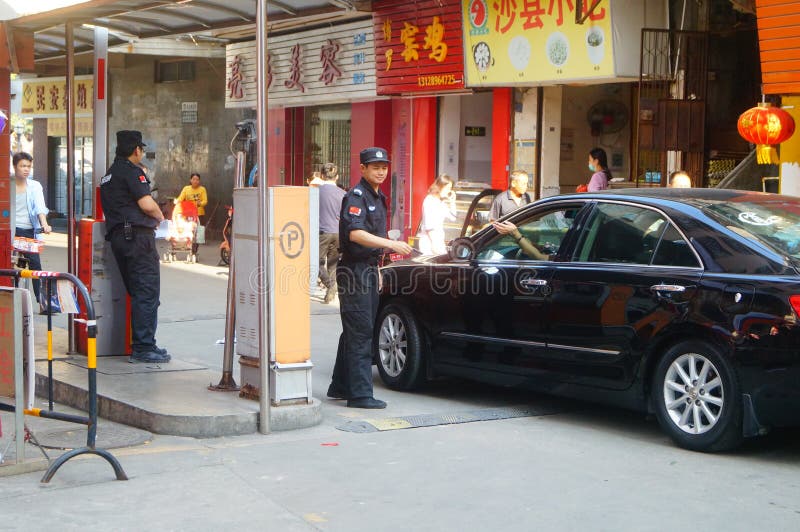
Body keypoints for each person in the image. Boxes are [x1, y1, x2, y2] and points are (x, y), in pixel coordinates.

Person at [328, 147, 413, 409]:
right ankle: (360, 395)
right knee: (361, 332)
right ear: (362, 168)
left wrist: (378, 266)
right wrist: (392, 244)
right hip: (353, 270)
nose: (380, 171)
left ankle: (341, 385)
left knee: (356, 329)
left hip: (367, 268)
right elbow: (355, 234)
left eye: (384, 167)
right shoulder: (356, 196)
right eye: (374, 166)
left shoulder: (379, 196)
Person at [100, 130, 169, 364]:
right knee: (147, 290)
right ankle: (143, 347)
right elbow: (147, 204)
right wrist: (160, 217)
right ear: (136, 150)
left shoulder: (109, 175)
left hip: (120, 239)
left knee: (139, 291)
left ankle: (146, 343)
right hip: (138, 238)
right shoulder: (132, 172)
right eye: (141, 149)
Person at [13, 152, 51, 307]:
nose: (26, 169)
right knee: (10, 265)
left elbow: (40, 207)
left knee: (36, 265)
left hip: (30, 231)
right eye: (22, 166)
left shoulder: (35, 186)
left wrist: (44, 224)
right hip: (12, 230)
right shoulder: (7, 184)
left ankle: (43, 303)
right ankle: (10, 296)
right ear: (14, 166)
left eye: (28, 166)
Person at [318, 162, 346, 303]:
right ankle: (330, 293)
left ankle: (331, 285)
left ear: (322, 175)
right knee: (333, 264)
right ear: (337, 177)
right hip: (338, 233)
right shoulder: (343, 194)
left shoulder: (316, 192)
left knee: (316, 263)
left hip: (322, 233)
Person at [417, 173, 457, 254]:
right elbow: (429, 226)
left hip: (437, 241)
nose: (448, 191)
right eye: (447, 187)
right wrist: (436, 245)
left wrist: (452, 202)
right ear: (440, 186)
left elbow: (453, 218)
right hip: (429, 242)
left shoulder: (440, 203)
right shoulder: (430, 200)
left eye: (450, 188)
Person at [176, 172, 208, 254]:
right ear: (190, 180)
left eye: (197, 179)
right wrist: (177, 201)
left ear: (199, 181)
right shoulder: (186, 188)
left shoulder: (202, 189)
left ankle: (194, 250)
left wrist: (200, 203)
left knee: (198, 233)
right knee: (187, 231)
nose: (195, 181)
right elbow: (180, 198)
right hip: (188, 213)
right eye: (193, 179)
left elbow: (205, 201)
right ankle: (187, 247)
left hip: (199, 214)